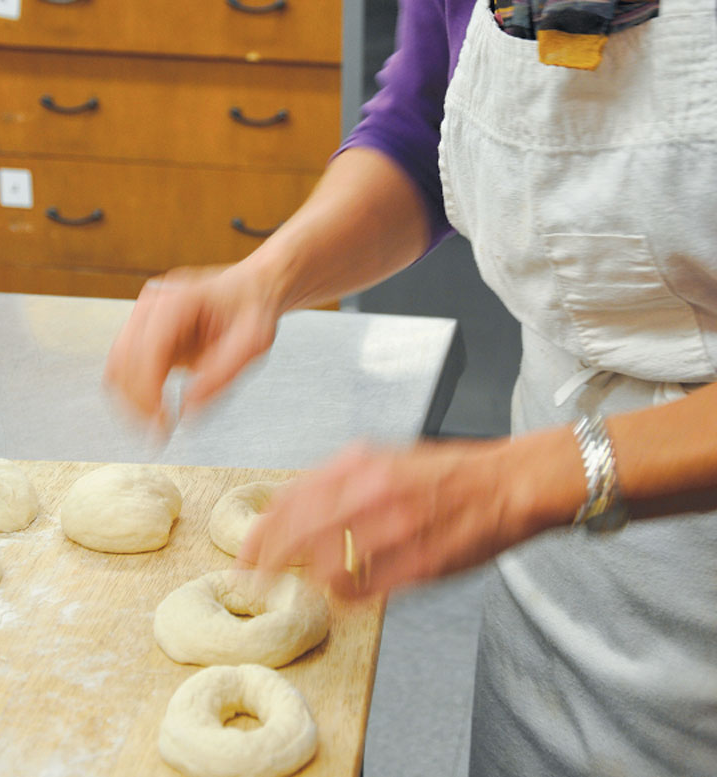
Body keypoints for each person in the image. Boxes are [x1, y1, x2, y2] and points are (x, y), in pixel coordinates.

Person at [104, 0, 717, 773]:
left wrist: (519, 483)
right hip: (554, 579)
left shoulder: (521, 487)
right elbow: (423, 120)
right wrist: (267, 278)